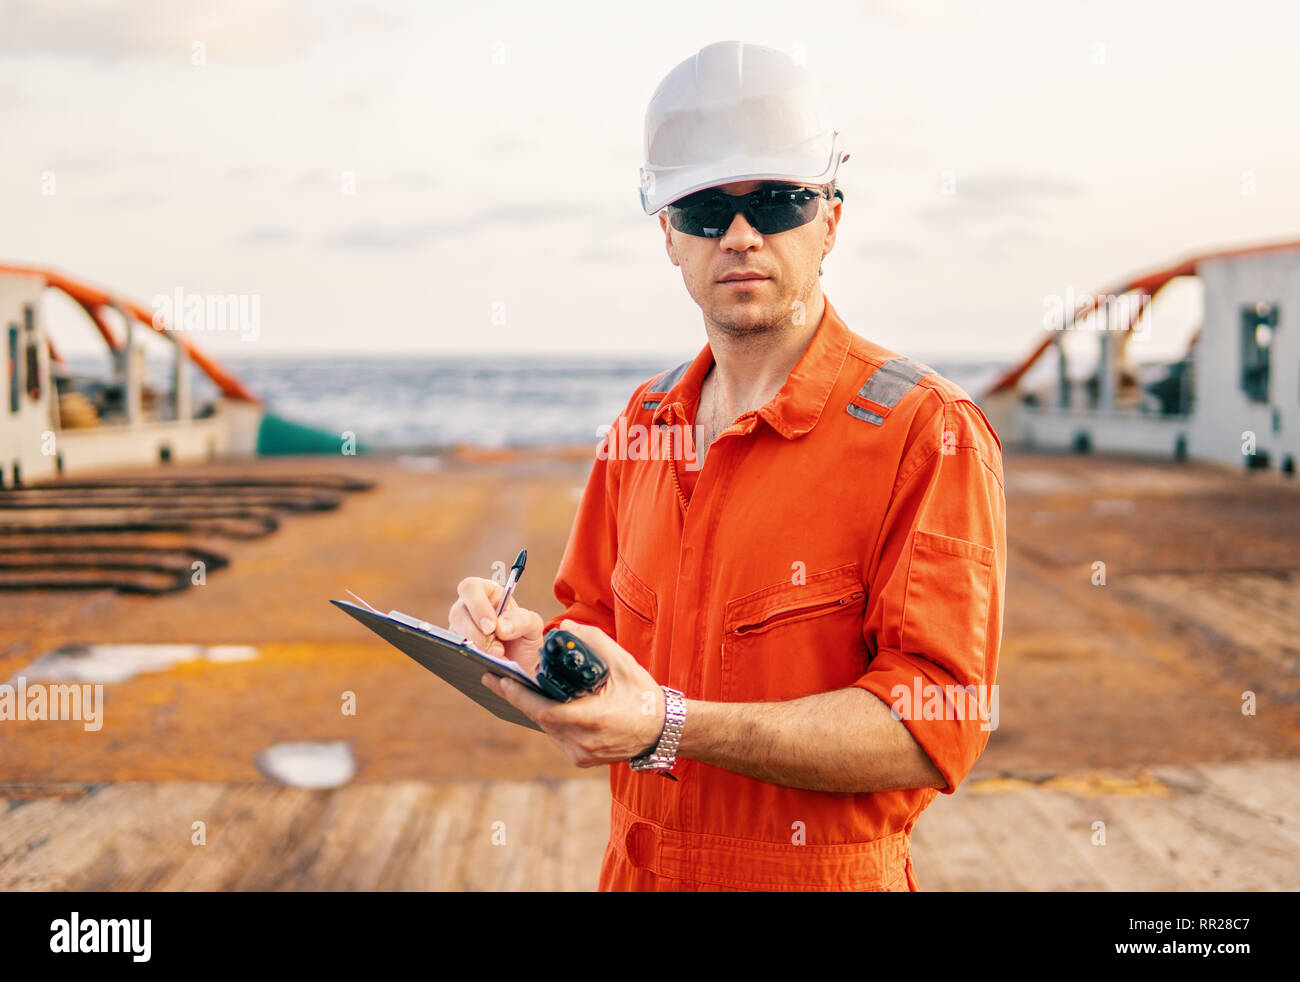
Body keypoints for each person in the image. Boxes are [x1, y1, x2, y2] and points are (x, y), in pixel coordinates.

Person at [450, 39, 1006, 891]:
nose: (741, 234)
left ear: (831, 221)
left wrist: (669, 726)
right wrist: (532, 652)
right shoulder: (643, 424)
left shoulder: (926, 433)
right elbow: (592, 633)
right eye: (707, 209)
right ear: (669, 234)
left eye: (777, 202)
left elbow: (932, 724)